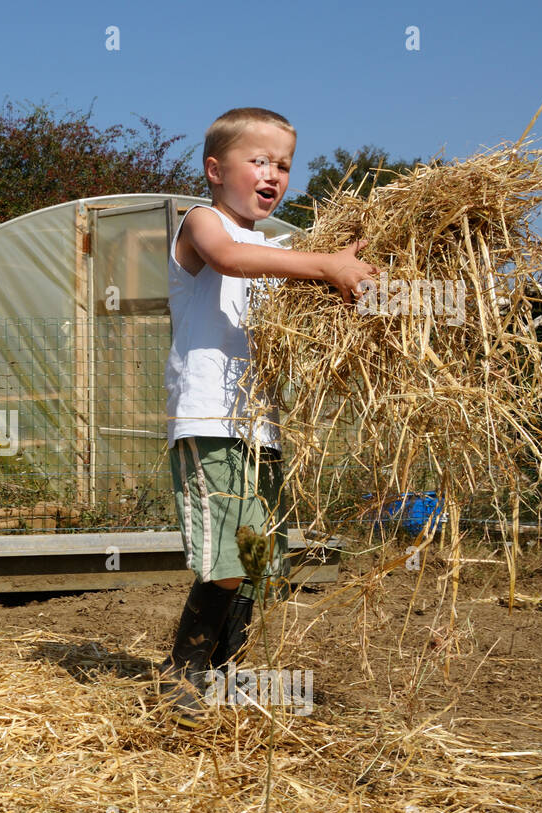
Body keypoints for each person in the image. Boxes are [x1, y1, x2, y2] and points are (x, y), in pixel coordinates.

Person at [160, 107, 375, 725]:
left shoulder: (277, 248)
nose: (273, 173)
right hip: (209, 422)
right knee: (227, 561)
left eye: (283, 164)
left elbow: (290, 309)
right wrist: (324, 263)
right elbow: (229, 259)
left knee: (257, 566)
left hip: (261, 427)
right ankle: (183, 673)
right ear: (214, 169)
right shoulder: (202, 222)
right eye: (258, 160)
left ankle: (226, 677)